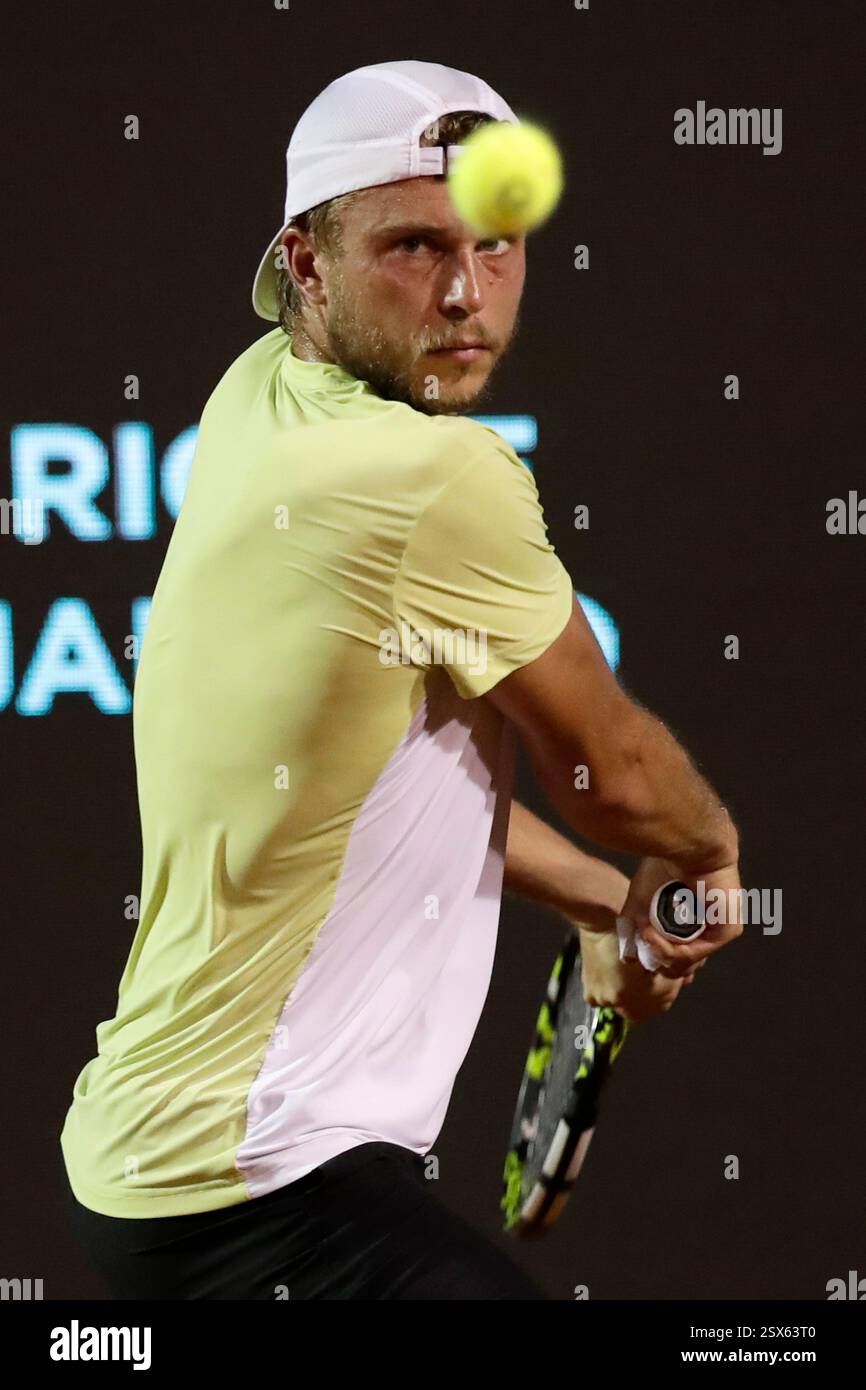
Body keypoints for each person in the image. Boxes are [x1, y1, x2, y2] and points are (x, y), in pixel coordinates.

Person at [60, 59, 741, 1301]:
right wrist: (698, 858)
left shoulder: (258, 393)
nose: (467, 293)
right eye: (414, 247)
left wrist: (600, 902)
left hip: (157, 1176)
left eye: (494, 244)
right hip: (260, 1191)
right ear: (306, 262)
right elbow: (615, 775)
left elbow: (378, 794)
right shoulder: (433, 479)